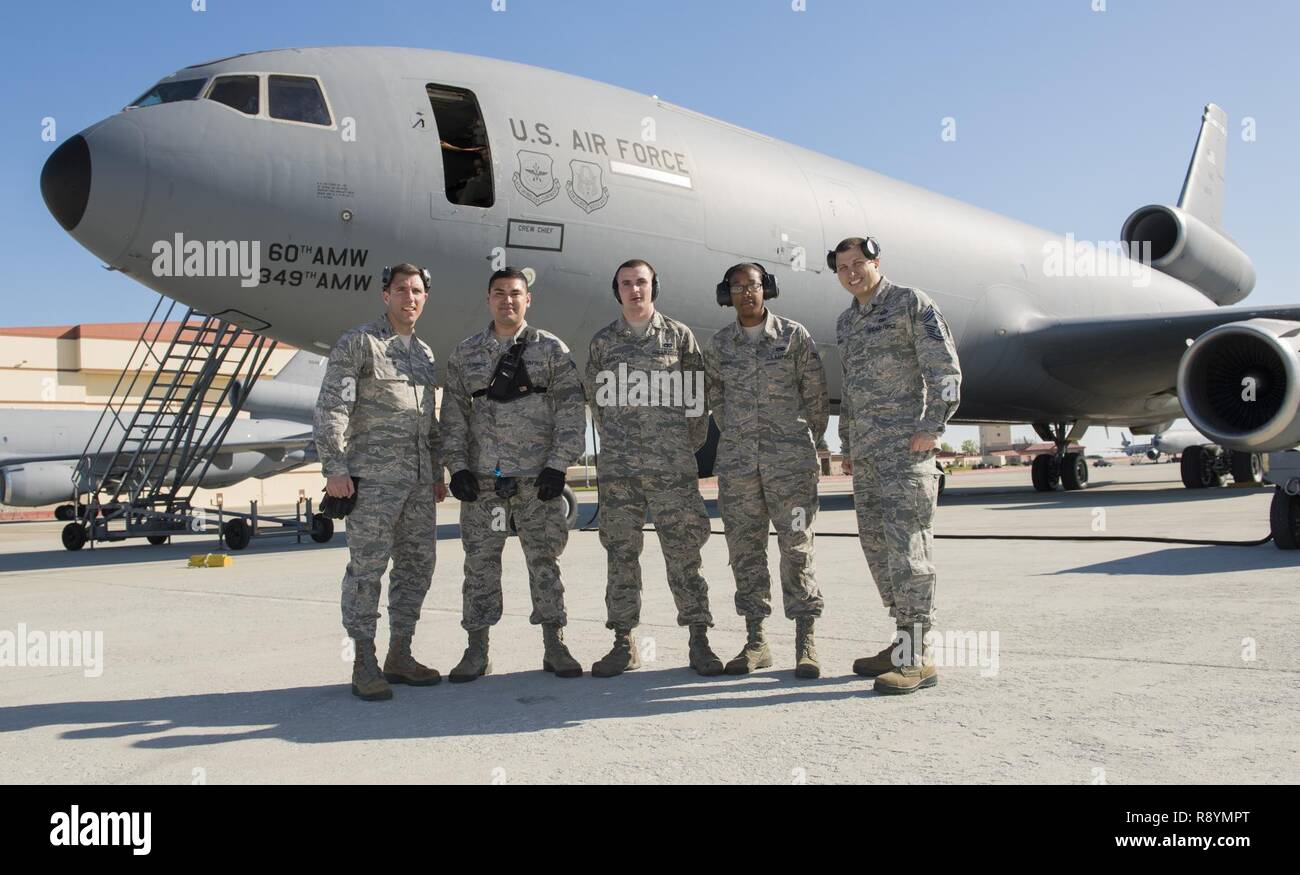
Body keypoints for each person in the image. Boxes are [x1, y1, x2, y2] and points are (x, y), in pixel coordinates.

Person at [442, 267, 587, 681]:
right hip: (485, 484)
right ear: (488, 299)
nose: (508, 300)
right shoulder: (466, 353)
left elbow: (570, 413)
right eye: (499, 293)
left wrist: (559, 466)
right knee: (480, 565)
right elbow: (452, 415)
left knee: (544, 563)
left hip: (536, 483)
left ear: (528, 300)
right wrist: (459, 467)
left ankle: (555, 645)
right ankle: (476, 650)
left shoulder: (551, 350)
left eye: (516, 294)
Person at [831, 236, 962, 694]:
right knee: (879, 550)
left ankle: (917, 655)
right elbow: (849, 390)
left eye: (859, 263)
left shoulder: (910, 302)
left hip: (906, 455)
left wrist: (933, 426)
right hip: (867, 456)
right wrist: (847, 443)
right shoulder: (847, 322)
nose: (851, 272)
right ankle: (901, 641)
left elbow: (945, 369)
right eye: (843, 266)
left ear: (876, 263)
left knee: (909, 552)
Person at [314, 263, 447, 701]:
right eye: (401, 290)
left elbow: (428, 422)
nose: (410, 298)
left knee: (416, 568)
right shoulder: (360, 343)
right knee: (367, 571)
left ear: (425, 299)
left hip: (418, 484)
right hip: (371, 481)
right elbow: (333, 406)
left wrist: (436, 472)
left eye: (417, 291)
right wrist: (335, 466)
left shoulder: (425, 354)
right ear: (384, 296)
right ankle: (363, 661)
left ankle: (401, 654)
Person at [585, 259, 723, 677]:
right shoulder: (604, 342)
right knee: (621, 555)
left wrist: (680, 448)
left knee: (684, 554)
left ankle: (699, 640)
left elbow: (698, 402)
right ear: (617, 291)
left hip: (672, 471)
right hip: (620, 472)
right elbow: (597, 402)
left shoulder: (679, 338)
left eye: (641, 282)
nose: (634, 290)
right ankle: (622, 643)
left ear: (653, 287)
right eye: (626, 284)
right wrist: (621, 446)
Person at [704, 263, 829, 678]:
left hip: (790, 464)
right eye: (737, 288)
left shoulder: (794, 336)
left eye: (753, 286)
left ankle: (805, 640)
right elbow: (716, 402)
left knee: (796, 548)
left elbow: (815, 398)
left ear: (767, 290)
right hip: (739, 466)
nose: (746, 294)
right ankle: (756, 641)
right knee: (745, 551)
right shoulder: (719, 346)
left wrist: (800, 443)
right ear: (727, 295)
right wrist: (742, 436)